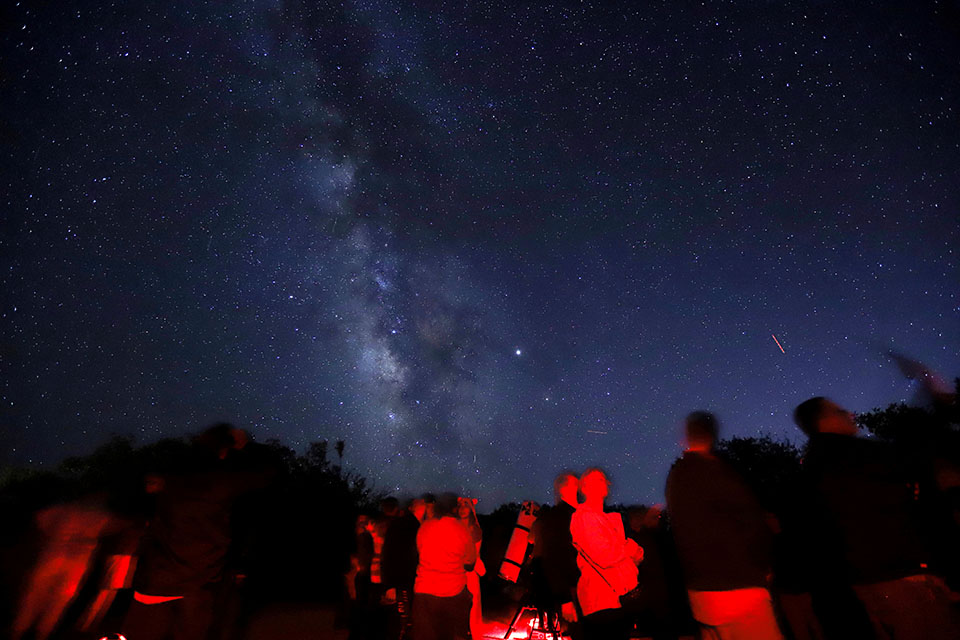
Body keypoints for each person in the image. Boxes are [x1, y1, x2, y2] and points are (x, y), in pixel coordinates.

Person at [793, 396, 960, 640]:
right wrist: (938, 404)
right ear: (824, 420)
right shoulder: (853, 455)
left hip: (868, 582)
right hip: (900, 578)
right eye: (840, 410)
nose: (849, 414)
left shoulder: (813, 466)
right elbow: (913, 458)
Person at [122, 423, 276, 640]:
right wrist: (248, 446)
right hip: (196, 583)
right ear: (225, 451)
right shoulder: (221, 484)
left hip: (155, 580)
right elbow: (267, 474)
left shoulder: (169, 481)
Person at [665, 411, 782, 640]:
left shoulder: (676, 477)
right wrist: (765, 566)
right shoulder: (717, 472)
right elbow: (751, 524)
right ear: (712, 435)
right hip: (739, 591)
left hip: (701, 596)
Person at [569, 468, 643, 640]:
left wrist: (631, 552)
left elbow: (635, 556)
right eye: (597, 480)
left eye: (603, 480)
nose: (603, 482)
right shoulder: (583, 517)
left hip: (619, 600)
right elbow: (605, 556)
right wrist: (628, 549)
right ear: (584, 488)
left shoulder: (609, 519)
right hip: (601, 602)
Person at [413, 492, 476, 640]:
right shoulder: (462, 530)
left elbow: (419, 552)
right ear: (454, 508)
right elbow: (470, 562)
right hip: (452, 592)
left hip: (424, 591)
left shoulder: (424, 527)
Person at [530, 471, 581, 636]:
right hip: (573, 587)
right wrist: (565, 598)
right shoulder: (559, 517)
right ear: (564, 489)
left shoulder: (575, 514)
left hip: (581, 585)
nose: (580, 487)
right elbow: (555, 558)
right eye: (575, 484)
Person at [382, 498, 426, 640]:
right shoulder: (406, 526)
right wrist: (391, 585)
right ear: (416, 508)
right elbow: (390, 554)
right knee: (402, 621)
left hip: (407, 581)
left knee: (405, 621)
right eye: (423, 504)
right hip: (403, 581)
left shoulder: (416, 525)